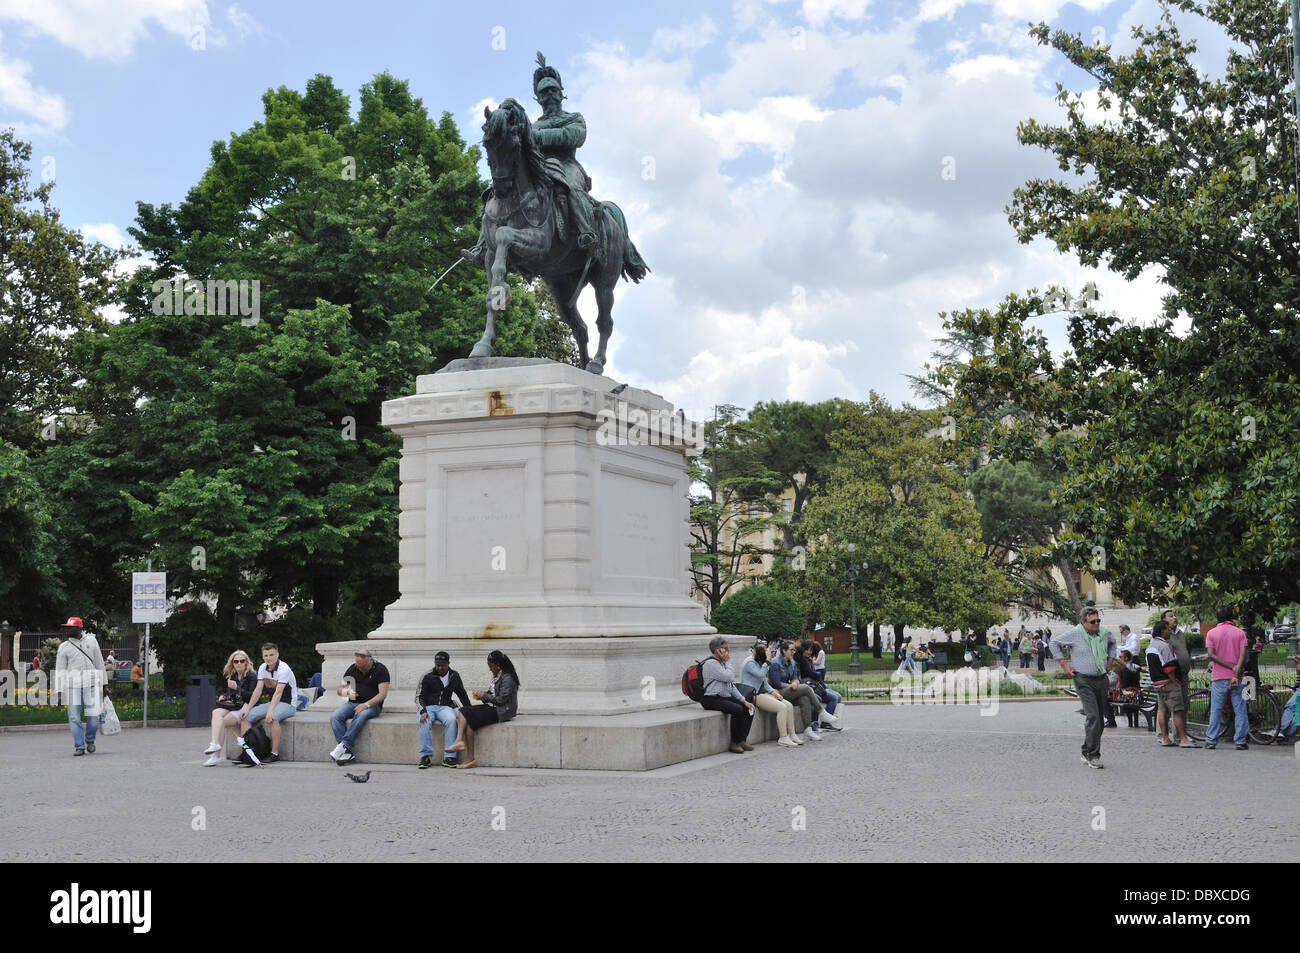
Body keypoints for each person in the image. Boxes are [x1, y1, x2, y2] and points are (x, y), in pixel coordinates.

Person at [531, 53, 599, 258]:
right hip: (540, 167)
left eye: (553, 90)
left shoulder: (574, 117)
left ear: (561, 94)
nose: (549, 94)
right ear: (538, 98)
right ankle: (484, 245)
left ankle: (587, 232)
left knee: (571, 188)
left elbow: (573, 136)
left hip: (567, 165)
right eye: (544, 92)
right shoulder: (532, 125)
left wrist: (538, 136)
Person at [1055, 606, 1118, 768]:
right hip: (1083, 680)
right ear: (1083, 622)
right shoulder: (1075, 633)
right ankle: (1093, 756)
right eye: (1092, 621)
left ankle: (1085, 750)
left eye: (1098, 620)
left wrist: (1111, 660)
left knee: (1100, 721)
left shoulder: (1104, 633)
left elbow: (1113, 642)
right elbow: (1053, 643)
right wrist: (1064, 665)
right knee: (1093, 717)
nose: (1096, 624)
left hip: (1101, 679)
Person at [446, 650, 520, 769]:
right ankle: (470, 759)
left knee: (463, 711)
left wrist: (484, 696)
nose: (490, 669)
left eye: (490, 666)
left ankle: (458, 740)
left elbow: (500, 700)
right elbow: (493, 694)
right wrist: (482, 695)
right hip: (494, 707)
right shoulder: (498, 675)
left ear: (498, 665)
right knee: (469, 722)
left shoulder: (508, 678)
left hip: (502, 711)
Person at [329, 648, 390, 765]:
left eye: (362, 667)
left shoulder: (381, 670)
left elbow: (382, 694)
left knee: (361, 716)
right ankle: (347, 752)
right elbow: (340, 689)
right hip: (352, 703)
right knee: (335, 716)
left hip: (372, 705)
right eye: (358, 667)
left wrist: (365, 705)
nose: (360, 669)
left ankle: (343, 746)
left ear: (370, 661)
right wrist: (347, 693)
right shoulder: (353, 668)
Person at [238, 643, 297, 764]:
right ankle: (248, 752)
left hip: (288, 703)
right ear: (262, 656)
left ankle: (274, 754)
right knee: (246, 717)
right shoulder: (262, 668)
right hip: (273, 702)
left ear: (277, 654)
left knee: (272, 718)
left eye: (271, 655)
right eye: (266, 655)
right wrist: (247, 709)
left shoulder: (284, 669)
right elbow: (258, 690)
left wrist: (270, 712)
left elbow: (278, 692)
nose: (268, 658)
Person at [54, 617, 104, 756]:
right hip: (72, 686)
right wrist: (59, 692)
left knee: (94, 716)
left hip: (91, 683)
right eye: (67, 627)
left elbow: (99, 663)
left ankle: (90, 739)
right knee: (74, 717)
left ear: (79, 629)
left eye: (71, 628)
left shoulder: (92, 641)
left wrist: (105, 685)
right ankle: (79, 746)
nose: (67, 630)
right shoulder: (64, 647)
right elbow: (60, 671)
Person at [697, 636, 755, 753]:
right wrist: (728, 662)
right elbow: (729, 676)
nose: (728, 651)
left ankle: (742, 739)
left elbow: (730, 685)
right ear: (717, 650)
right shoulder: (711, 664)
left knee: (749, 707)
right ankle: (734, 743)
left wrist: (744, 700)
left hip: (723, 697)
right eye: (725, 648)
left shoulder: (722, 663)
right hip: (711, 699)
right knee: (737, 709)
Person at [1203, 606, 1249, 751]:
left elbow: (1212, 655)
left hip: (1219, 677)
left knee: (1216, 709)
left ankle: (1211, 740)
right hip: (1238, 677)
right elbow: (1242, 655)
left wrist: (1229, 667)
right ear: (1231, 617)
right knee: (1240, 708)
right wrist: (1235, 669)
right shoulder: (1240, 633)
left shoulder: (1211, 633)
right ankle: (1240, 740)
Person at [1146, 620, 1197, 748]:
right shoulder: (1164, 646)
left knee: (1162, 710)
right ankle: (1183, 739)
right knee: (1178, 710)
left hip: (1158, 684)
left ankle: (1165, 738)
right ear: (1162, 631)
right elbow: (1169, 667)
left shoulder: (1150, 646)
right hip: (1168, 682)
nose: (1170, 631)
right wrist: (1175, 681)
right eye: (1168, 629)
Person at [416, 651, 472, 769]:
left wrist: (470, 709)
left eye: (442, 665)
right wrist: (423, 711)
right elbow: (419, 697)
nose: (440, 668)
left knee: (452, 720)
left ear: (448, 664)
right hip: (428, 708)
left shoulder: (454, 676)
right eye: (437, 665)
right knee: (424, 721)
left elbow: (462, 694)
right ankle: (425, 756)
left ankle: (449, 757)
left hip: (445, 707)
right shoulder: (427, 676)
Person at [202, 650, 258, 765]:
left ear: (246, 662)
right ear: (232, 663)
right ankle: (214, 744)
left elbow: (252, 696)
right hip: (236, 704)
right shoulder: (233, 675)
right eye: (236, 661)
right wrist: (225, 695)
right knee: (216, 712)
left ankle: (216, 754)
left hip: (247, 705)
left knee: (222, 722)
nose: (239, 663)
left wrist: (237, 687)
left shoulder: (252, 675)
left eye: (241, 661)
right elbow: (231, 694)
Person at [741, 643, 801, 747]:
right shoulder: (749, 662)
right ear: (754, 650)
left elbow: (764, 681)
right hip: (753, 694)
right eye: (763, 649)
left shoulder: (760, 662)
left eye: (765, 649)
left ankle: (792, 734)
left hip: (763, 692)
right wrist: (767, 660)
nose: (765, 651)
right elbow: (760, 674)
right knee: (782, 707)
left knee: (789, 706)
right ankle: (783, 737)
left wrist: (773, 692)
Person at [769, 640, 831, 741]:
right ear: (784, 651)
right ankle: (821, 711)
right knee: (806, 688)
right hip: (778, 692)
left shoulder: (792, 662)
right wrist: (789, 685)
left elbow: (795, 677)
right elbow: (776, 683)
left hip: (788, 689)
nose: (794, 652)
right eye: (791, 650)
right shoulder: (775, 663)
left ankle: (808, 730)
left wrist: (795, 683)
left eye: (794, 649)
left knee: (804, 698)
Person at [795, 643, 842, 731]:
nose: (809, 652)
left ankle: (823, 722)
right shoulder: (802, 662)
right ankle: (820, 723)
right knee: (831, 698)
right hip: (809, 686)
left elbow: (816, 676)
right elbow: (812, 674)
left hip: (814, 685)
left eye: (811, 650)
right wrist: (818, 674)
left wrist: (824, 687)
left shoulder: (808, 661)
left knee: (837, 697)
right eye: (807, 650)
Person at [1116, 650, 1143, 728]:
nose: (1119, 658)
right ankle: (1133, 723)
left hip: (1132, 695)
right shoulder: (1132, 666)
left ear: (1126, 658)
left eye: (1121, 657)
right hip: (1136, 694)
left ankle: (1131, 723)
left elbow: (1124, 685)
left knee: (1122, 696)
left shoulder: (1125, 669)